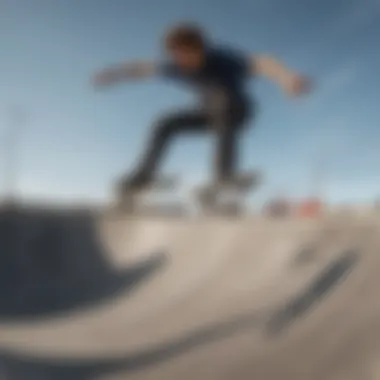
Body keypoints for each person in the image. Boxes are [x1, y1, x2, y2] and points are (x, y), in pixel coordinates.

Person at [93, 22, 311, 191]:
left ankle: (224, 176)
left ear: (202, 48)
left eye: (188, 55)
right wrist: (113, 75)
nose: (184, 62)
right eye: (177, 56)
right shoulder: (176, 67)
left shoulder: (223, 59)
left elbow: (264, 62)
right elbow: (142, 68)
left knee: (223, 101)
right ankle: (143, 178)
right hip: (208, 116)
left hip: (237, 111)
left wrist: (288, 79)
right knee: (165, 123)